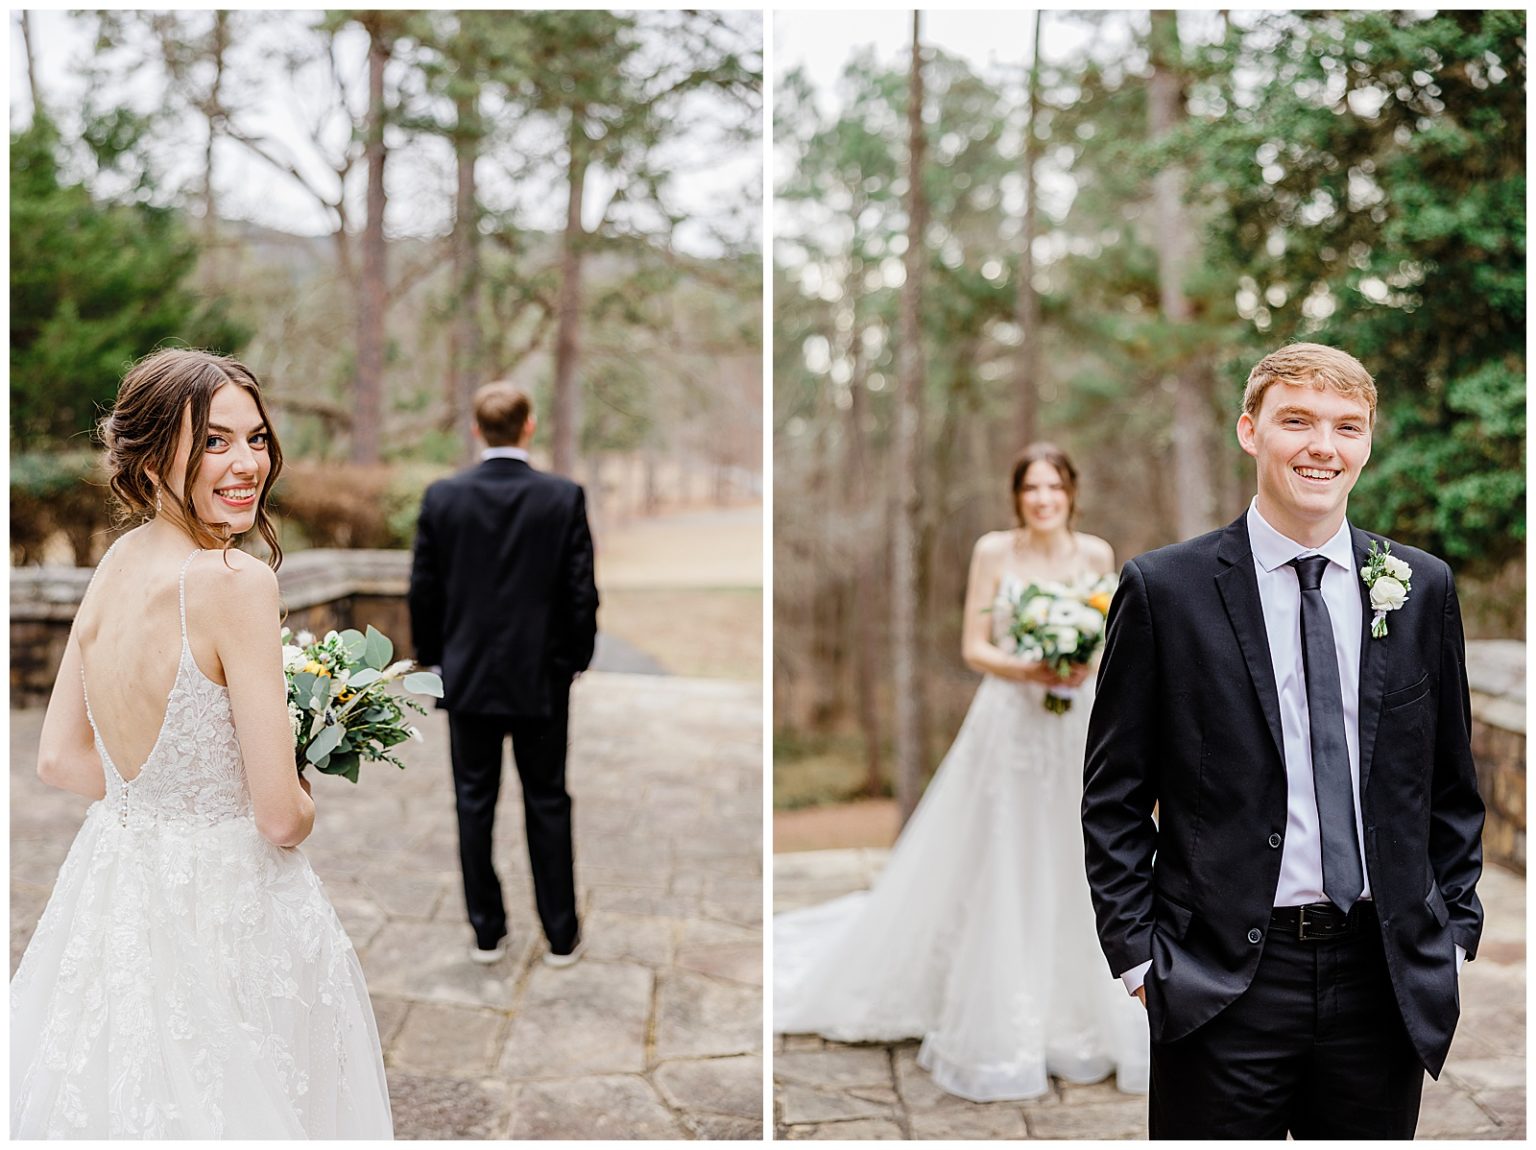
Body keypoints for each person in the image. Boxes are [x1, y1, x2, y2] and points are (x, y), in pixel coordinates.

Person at [1082, 343, 1484, 1139]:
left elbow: (1450, 783)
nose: (1322, 447)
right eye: (1295, 421)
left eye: (1346, 426)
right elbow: (1114, 797)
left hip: (1383, 975)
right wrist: (1140, 960)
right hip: (1222, 979)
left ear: (1367, 441)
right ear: (1249, 430)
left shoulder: (1420, 585)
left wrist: (1454, 931)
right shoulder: (1165, 590)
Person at [11, 348, 393, 1138]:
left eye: (255, 438)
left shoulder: (115, 562)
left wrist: (161, 807)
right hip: (230, 904)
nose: (247, 462)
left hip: (115, 886)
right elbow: (278, 820)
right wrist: (299, 785)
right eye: (215, 442)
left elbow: (60, 759)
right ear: (151, 461)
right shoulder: (233, 583)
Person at [774, 444, 1149, 1102]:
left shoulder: (1094, 553)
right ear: (1016, 496)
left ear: (1070, 493)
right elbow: (973, 646)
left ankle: (1086, 1002)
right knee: (1002, 850)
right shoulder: (991, 552)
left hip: (1074, 722)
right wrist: (1028, 667)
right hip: (1009, 719)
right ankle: (991, 995)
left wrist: (1079, 663)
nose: (1042, 500)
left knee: (1076, 845)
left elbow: (1111, 634)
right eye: (1030, 489)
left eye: (1053, 488)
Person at [408, 381, 598, 969]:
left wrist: (436, 663)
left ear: (475, 429)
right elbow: (581, 593)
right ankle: (562, 935)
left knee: (473, 802)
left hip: (467, 681)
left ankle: (487, 933)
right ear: (528, 426)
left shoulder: (443, 498)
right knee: (547, 802)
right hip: (541, 680)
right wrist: (574, 661)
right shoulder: (562, 497)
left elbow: (423, 592)